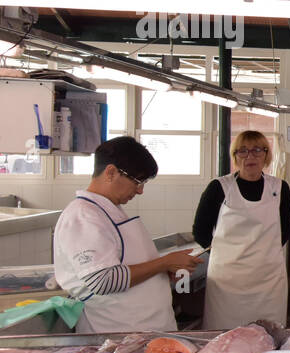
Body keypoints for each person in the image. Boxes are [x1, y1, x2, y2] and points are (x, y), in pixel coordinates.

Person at [53, 136, 198, 334]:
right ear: (111, 172)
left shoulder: (109, 210)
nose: (140, 191)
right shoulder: (83, 215)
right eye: (138, 181)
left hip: (144, 330)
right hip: (117, 336)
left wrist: (161, 272)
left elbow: (124, 266)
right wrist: (163, 263)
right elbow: (102, 280)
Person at [191, 131, 290, 329]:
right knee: (224, 335)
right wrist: (226, 255)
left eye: (257, 150)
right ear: (235, 156)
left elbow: (286, 228)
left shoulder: (279, 187)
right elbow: (200, 230)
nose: (250, 157)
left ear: (266, 155)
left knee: (269, 333)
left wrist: (263, 253)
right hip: (227, 281)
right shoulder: (220, 187)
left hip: (268, 279)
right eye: (243, 151)